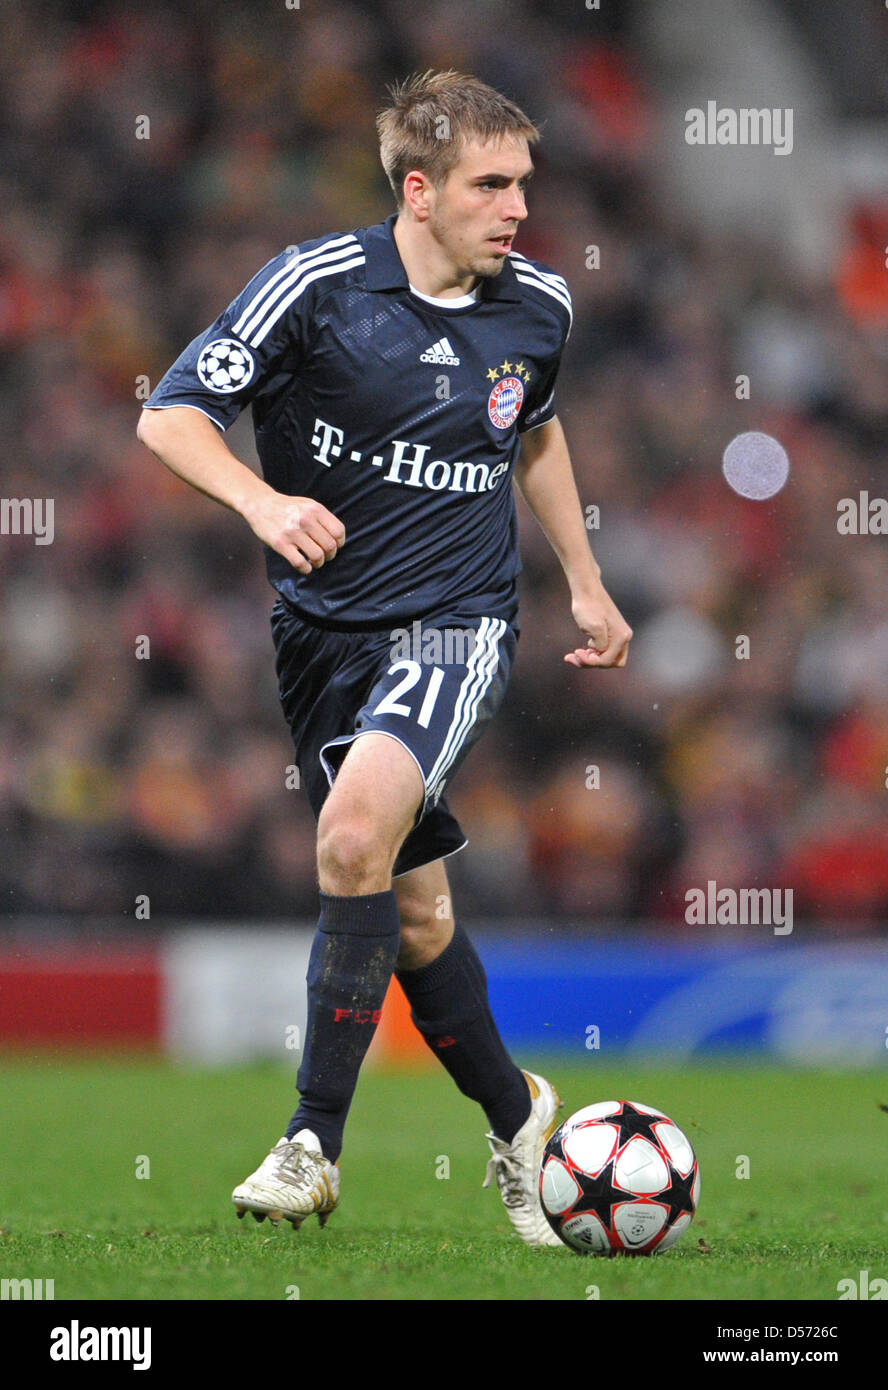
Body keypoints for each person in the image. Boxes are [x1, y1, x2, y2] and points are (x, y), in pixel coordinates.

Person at [137, 70, 632, 1247]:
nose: (518, 207)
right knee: (409, 913)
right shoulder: (314, 287)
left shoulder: (541, 308)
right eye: (491, 185)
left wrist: (585, 576)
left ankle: (312, 1141)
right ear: (418, 189)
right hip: (321, 640)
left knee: (352, 836)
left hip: (457, 624)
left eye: (524, 183)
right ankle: (522, 1121)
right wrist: (261, 502)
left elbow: (536, 432)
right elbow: (168, 415)